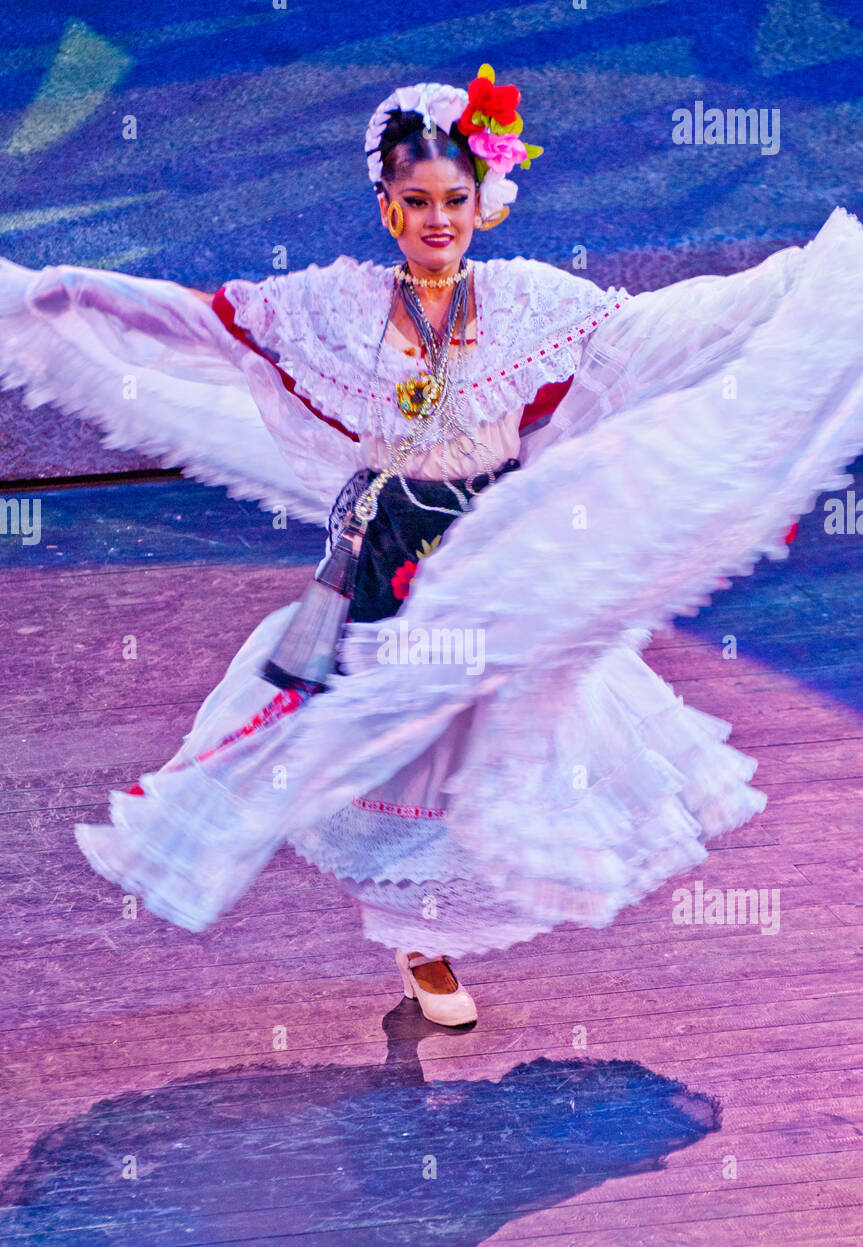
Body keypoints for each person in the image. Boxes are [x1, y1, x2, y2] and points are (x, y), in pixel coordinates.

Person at [2, 67, 862, 1029]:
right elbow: (207, 324)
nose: (436, 219)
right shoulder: (338, 310)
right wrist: (74, 293)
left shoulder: (530, 304)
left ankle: (463, 898)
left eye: (454, 200)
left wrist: (797, 283)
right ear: (386, 207)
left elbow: (663, 329)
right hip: (380, 557)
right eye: (415, 202)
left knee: (499, 734)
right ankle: (418, 942)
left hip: (488, 556)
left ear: (483, 203)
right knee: (385, 744)